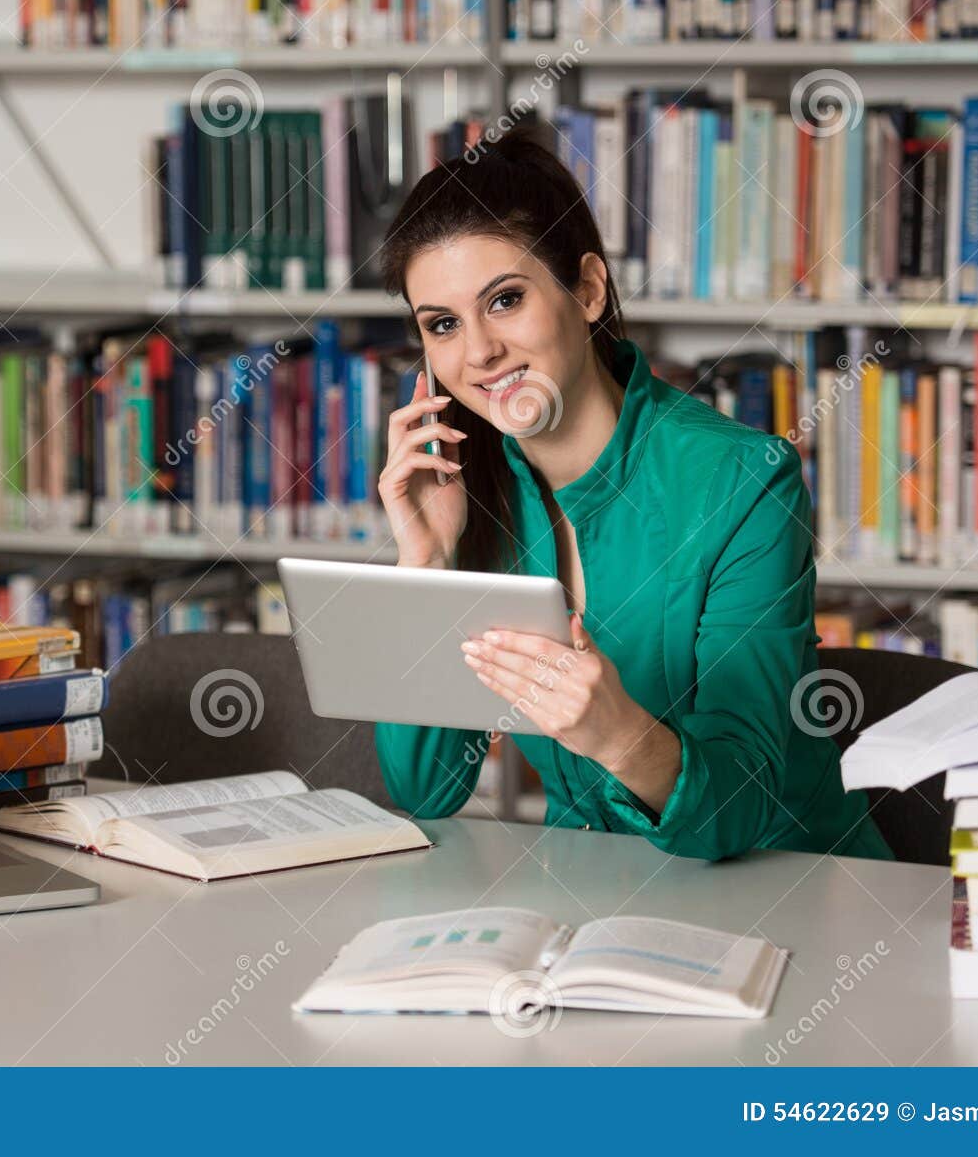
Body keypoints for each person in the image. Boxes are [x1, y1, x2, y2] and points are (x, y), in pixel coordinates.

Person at [371, 123, 893, 862]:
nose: (479, 351)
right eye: (443, 324)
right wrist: (424, 565)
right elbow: (426, 790)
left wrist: (618, 736)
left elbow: (743, 807)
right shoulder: (464, 488)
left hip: (786, 889)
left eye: (507, 300)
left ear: (586, 289)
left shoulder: (744, 481)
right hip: (595, 904)